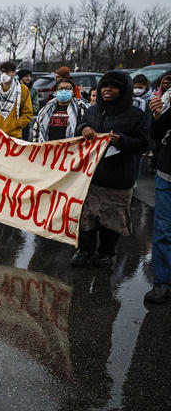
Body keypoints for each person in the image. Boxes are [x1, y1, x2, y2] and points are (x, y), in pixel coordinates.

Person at [71, 71, 149, 268]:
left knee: (111, 220)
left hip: (118, 179)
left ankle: (106, 253)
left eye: (113, 87)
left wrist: (122, 141)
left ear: (123, 91)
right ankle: (84, 250)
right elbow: (79, 129)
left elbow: (143, 144)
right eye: (105, 86)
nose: (107, 90)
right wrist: (84, 129)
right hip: (92, 176)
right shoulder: (92, 111)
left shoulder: (136, 115)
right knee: (87, 217)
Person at [145, 78, 171, 302]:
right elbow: (156, 134)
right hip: (167, 174)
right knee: (163, 230)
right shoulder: (168, 100)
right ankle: (162, 282)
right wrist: (157, 116)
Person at [0, 61, 33, 138]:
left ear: (14, 73)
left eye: (8, 72)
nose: (4, 74)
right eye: (2, 71)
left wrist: (16, 124)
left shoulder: (22, 90)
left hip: (13, 135)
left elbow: (28, 113)